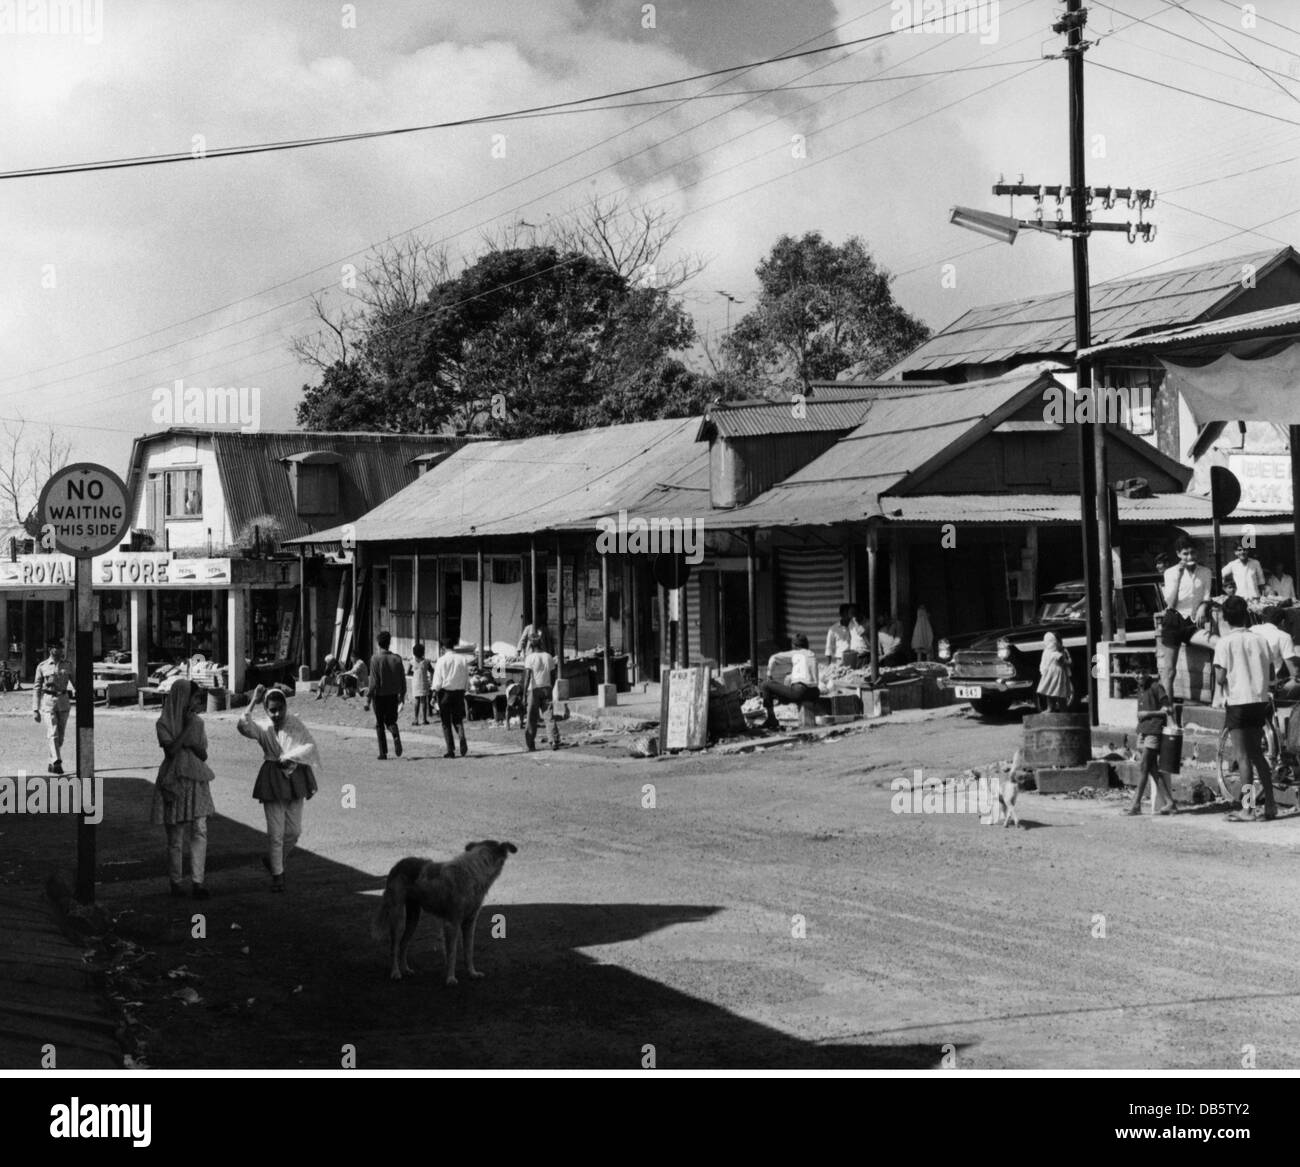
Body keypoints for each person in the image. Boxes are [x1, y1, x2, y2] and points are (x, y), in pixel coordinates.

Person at [238, 685, 320, 892]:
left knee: (293, 831)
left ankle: (276, 862)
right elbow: (243, 726)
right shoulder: (264, 728)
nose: (276, 714)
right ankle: (278, 876)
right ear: (266, 710)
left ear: (285, 706)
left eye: (279, 709)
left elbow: (310, 746)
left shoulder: (295, 725)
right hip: (272, 779)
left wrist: (292, 756)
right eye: (271, 710)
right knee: (275, 833)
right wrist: (254, 701)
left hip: (296, 778)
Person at [1213, 595, 1277, 822]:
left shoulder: (1224, 642)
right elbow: (1271, 671)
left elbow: (1220, 678)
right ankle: (1270, 804)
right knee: (1258, 755)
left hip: (1238, 702)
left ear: (1225, 618)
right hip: (1259, 700)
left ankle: (1248, 808)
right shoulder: (1260, 640)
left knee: (1243, 757)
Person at [150, 679, 216, 898]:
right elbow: (170, 752)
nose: (198, 703)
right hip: (174, 779)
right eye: (195, 698)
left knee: (200, 830)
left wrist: (192, 741)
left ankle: (198, 881)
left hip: (195, 778)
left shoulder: (198, 723)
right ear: (183, 698)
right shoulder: (164, 722)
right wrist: (186, 730)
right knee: (176, 836)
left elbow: (203, 754)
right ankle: (176, 882)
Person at [1125, 672, 1175, 816]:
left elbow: (1168, 710)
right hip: (1142, 731)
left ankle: (1135, 804)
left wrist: (1148, 713)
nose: (1139, 676)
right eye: (1136, 673)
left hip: (1154, 731)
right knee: (1152, 769)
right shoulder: (1140, 688)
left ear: (1148, 672)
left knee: (1144, 767)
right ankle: (1169, 802)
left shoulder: (1156, 687)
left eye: (1142, 672)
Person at [760, 634, 820, 731]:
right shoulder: (812, 654)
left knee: (766, 685)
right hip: (814, 693)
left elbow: (773, 658)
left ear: (794, 646)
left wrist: (769, 675)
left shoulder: (796, 653)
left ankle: (771, 719)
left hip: (800, 692)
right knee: (789, 683)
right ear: (807, 645)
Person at [32, 639, 75, 775]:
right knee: (53, 733)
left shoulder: (68, 665)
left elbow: (76, 682)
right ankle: (57, 762)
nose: (61, 650)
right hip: (48, 701)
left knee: (60, 737)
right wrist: (35, 709)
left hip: (63, 702)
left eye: (61, 648)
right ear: (51, 650)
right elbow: (36, 688)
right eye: (58, 648)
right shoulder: (42, 666)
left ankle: (51, 761)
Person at [365, 630, 406, 760]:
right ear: (389, 643)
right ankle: (394, 732)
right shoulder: (397, 658)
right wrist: (402, 695)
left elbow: (374, 681)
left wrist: (368, 699)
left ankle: (383, 752)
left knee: (379, 723)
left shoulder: (375, 659)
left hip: (379, 696)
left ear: (378, 643)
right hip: (393, 695)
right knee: (391, 721)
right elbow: (402, 679)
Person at [521, 633, 561, 752]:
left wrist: (524, 695)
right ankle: (554, 740)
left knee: (532, 718)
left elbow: (528, 677)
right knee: (549, 716)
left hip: (534, 689)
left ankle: (530, 744)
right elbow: (553, 675)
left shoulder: (530, 658)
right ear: (541, 643)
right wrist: (551, 687)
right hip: (547, 688)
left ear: (531, 645)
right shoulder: (548, 656)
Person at [432, 640, 471, 758]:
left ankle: (450, 750)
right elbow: (466, 677)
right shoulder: (463, 659)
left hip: (445, 693)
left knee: (445, 722)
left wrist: (434, 694)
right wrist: (465, 689)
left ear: (443, 647)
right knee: (457, 719)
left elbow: (437, 681)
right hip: (459, 693)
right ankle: (461, 735)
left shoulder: (441, 660)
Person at [1251, 607, 1300, 699]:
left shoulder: (1251, 629)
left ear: (1263, 618)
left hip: (1249, 678)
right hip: (1269, 683)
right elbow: (1293, 670)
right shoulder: (1283, 636)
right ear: (1282, 622)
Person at [1036, 631, 1073, 712]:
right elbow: (1067, 663)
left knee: (1050, 692)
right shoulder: (1057, 654)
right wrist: (1068, 657)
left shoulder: (1046, 651)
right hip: (1057, 675)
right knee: (1060, 693)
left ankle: (1051, 708)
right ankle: (1060, 709)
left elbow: (1044, 663)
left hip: (1049, 675)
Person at [410, 642, 433, 726]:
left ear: (414, 653)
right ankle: (424, 719)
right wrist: (431, 679)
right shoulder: (426, 662)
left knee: (416, 700)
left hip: (415, 683)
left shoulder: (412, 662)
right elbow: (432, 670)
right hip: (424, 682)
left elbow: (408, 672)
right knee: (423, 701)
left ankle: (415, 719)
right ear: (423, 652)